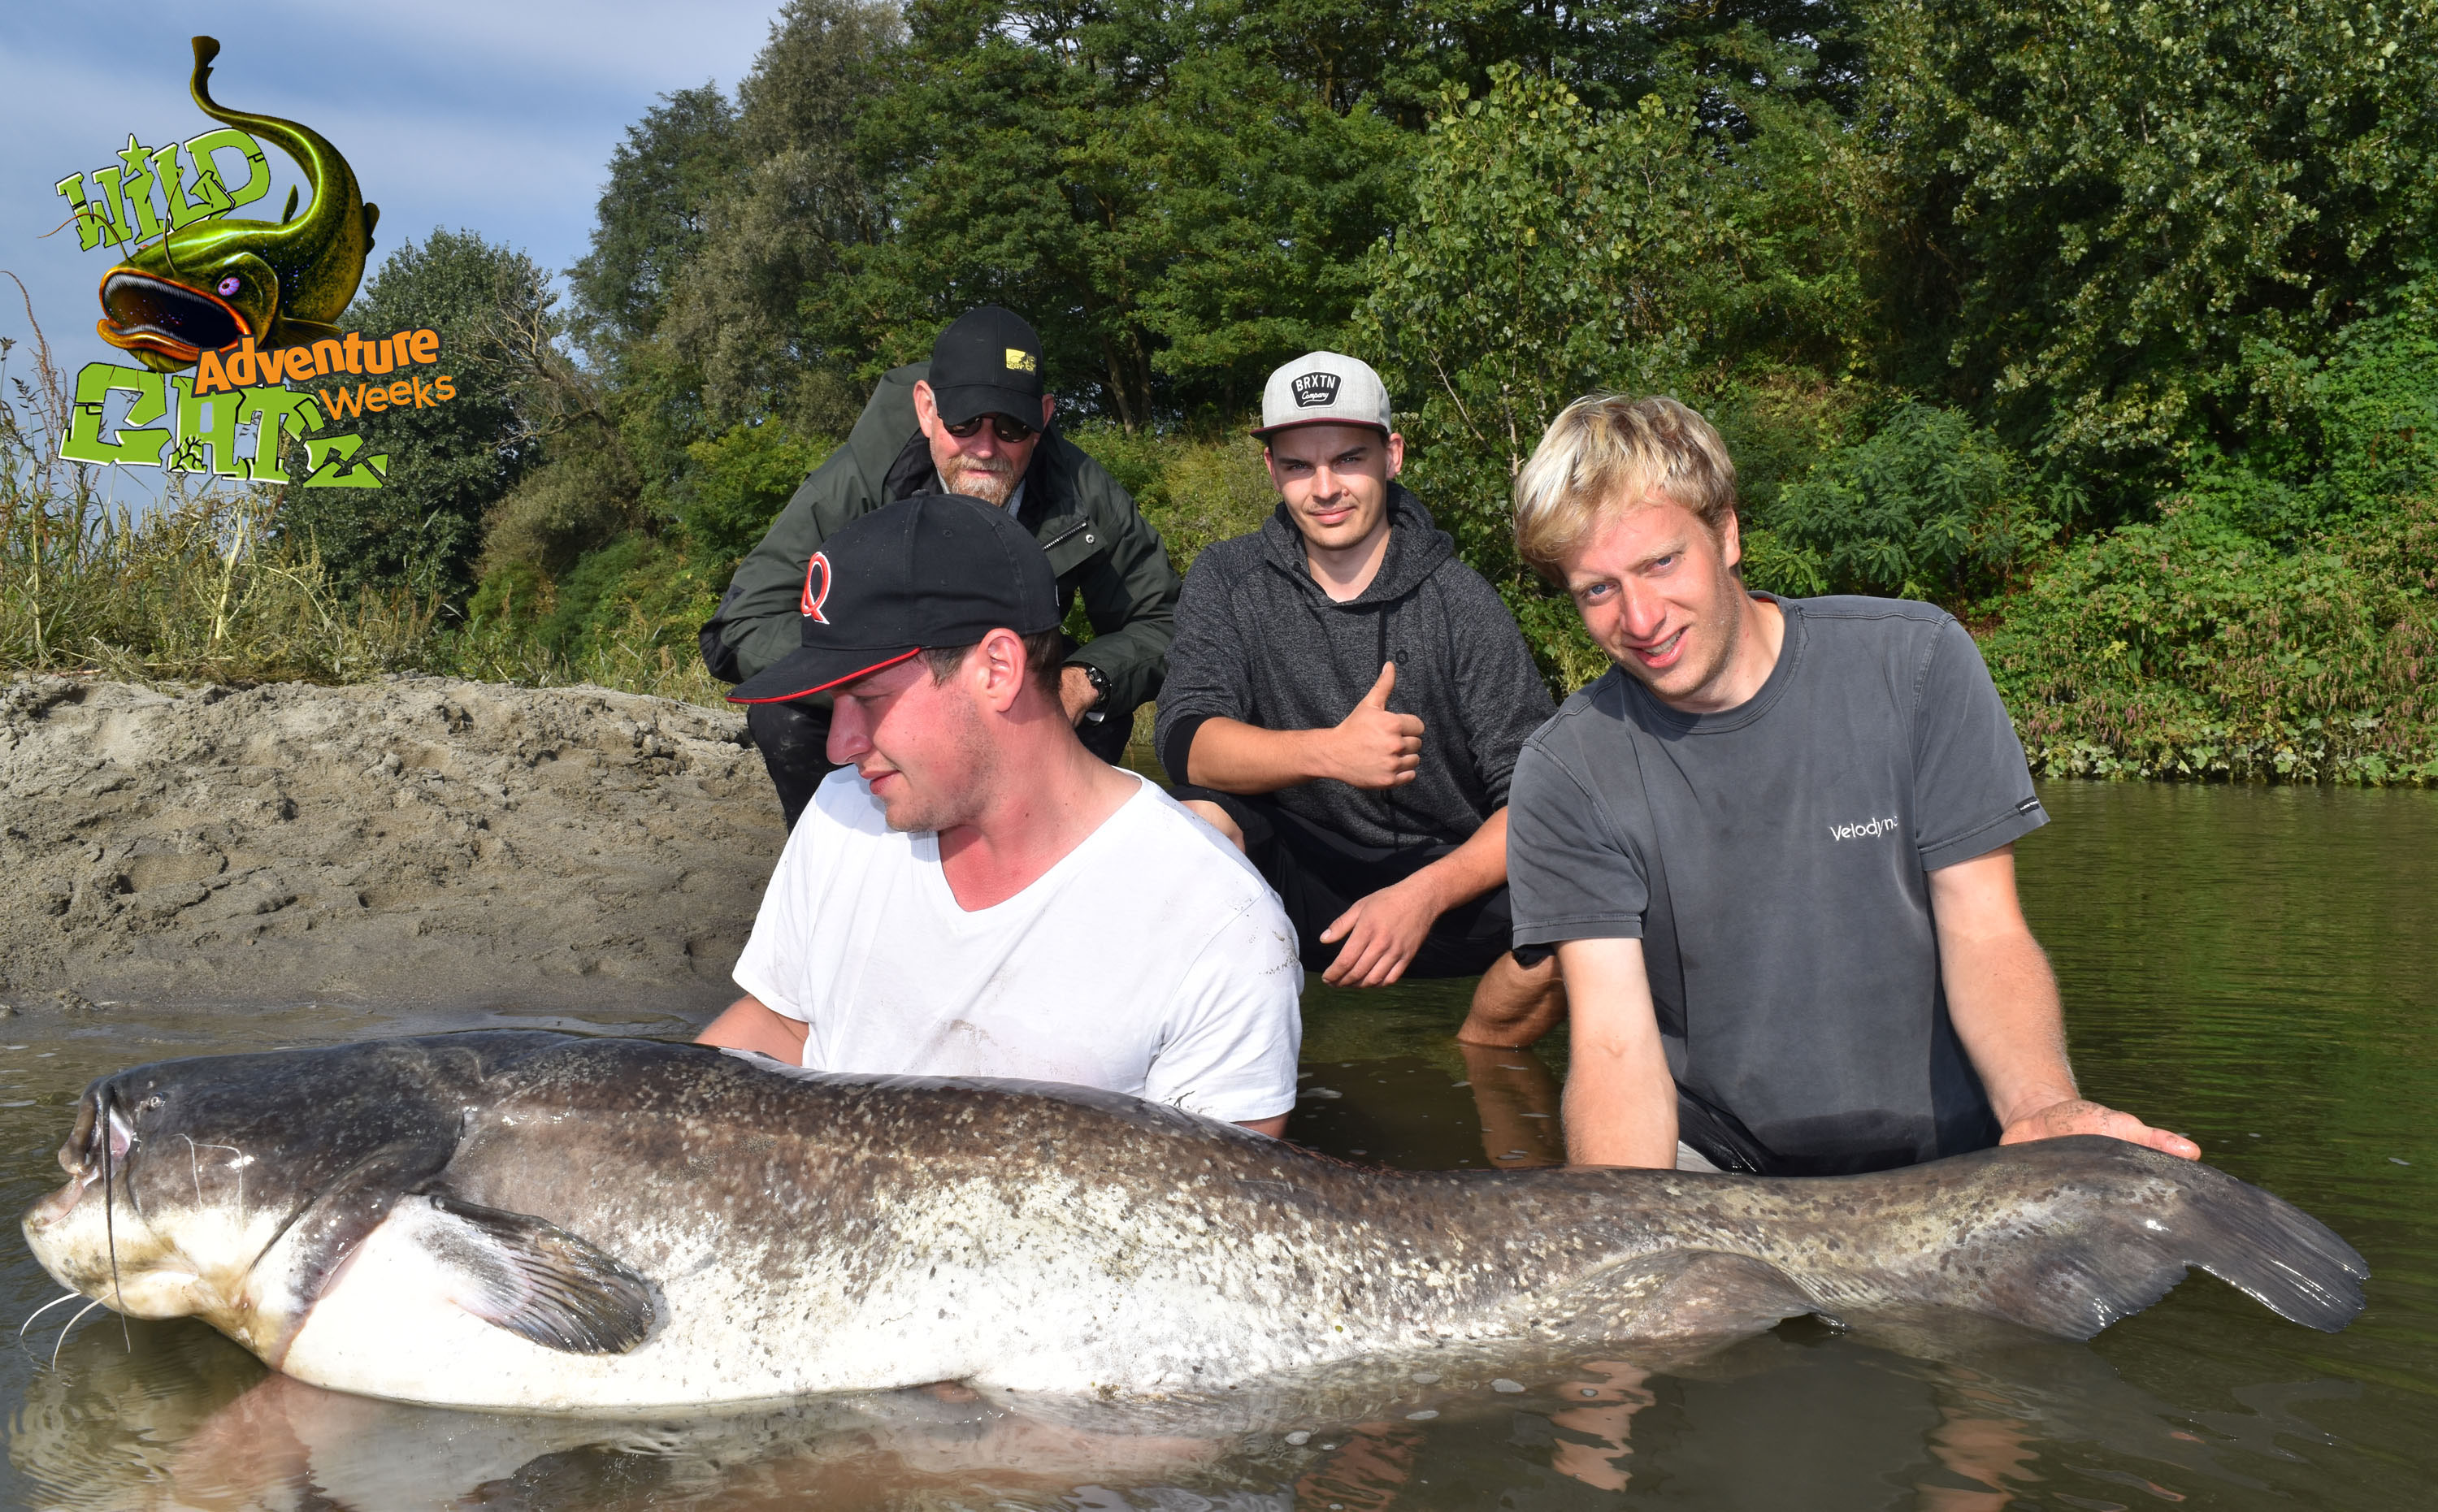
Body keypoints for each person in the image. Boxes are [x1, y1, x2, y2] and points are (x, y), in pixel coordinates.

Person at [1497, 394, 2199, 1175]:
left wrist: (2040, 1104)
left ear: (1727, 532)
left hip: (1952, 1147)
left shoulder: (1918, 664)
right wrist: (1623, 1228)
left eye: (1662, 562)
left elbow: (1986, 929)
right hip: (1719, 1159)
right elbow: (1612, 1041)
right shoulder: (1566, 769)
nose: (1642, 616)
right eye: (1598, 589)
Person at [698, 493, 1301, 1135]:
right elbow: (783, 1024)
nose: (839, 745)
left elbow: (1214, 1211)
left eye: (867, 699)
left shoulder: (1221, 927)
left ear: (997, 669)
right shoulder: (843, 811)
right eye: (834, 702)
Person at [1154, 352, 1564, 1038]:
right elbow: (1184, 740)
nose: (1324, 488)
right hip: (1297, 878)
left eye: (1348, 459)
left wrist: (1423, 895)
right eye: (1297, 466)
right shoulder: (1227, 578)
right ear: (1271, 470)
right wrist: (1330, 753)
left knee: (1591, 883)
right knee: (1187, 830)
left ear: (1391, 455)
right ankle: (1217, 1083)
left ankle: (1485, 1062)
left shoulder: (1461, 600)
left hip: (1449, 883)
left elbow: (1535, 799)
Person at [701, 305, 1182, 823]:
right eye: (964, 421)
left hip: (1005, 686)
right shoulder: (856, 483)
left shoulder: (1081, 490)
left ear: (1043, 417)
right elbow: (738, 629)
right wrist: (886, 674)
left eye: (1013, 427)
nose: (985, 448)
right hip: (888, 675)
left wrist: (1083, 679)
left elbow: (1168, 619)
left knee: (1099, 713)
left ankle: (1030, 865)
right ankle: (851, 867)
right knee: (781, 714)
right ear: (926, 407)